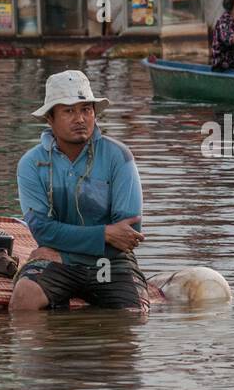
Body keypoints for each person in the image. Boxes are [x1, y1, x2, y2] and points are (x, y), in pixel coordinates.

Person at [10, 70, 148, 311]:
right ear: (50, 119)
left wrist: (66, 255)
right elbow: (42, 230)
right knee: (24, 301)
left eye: (86, 109)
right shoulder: (32, 164)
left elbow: (129, 233)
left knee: (133, 316)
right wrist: (104, 233)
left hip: (109, 261)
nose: (80, 118)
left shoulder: (119, 157)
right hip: (57, 262)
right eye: (69, 111)